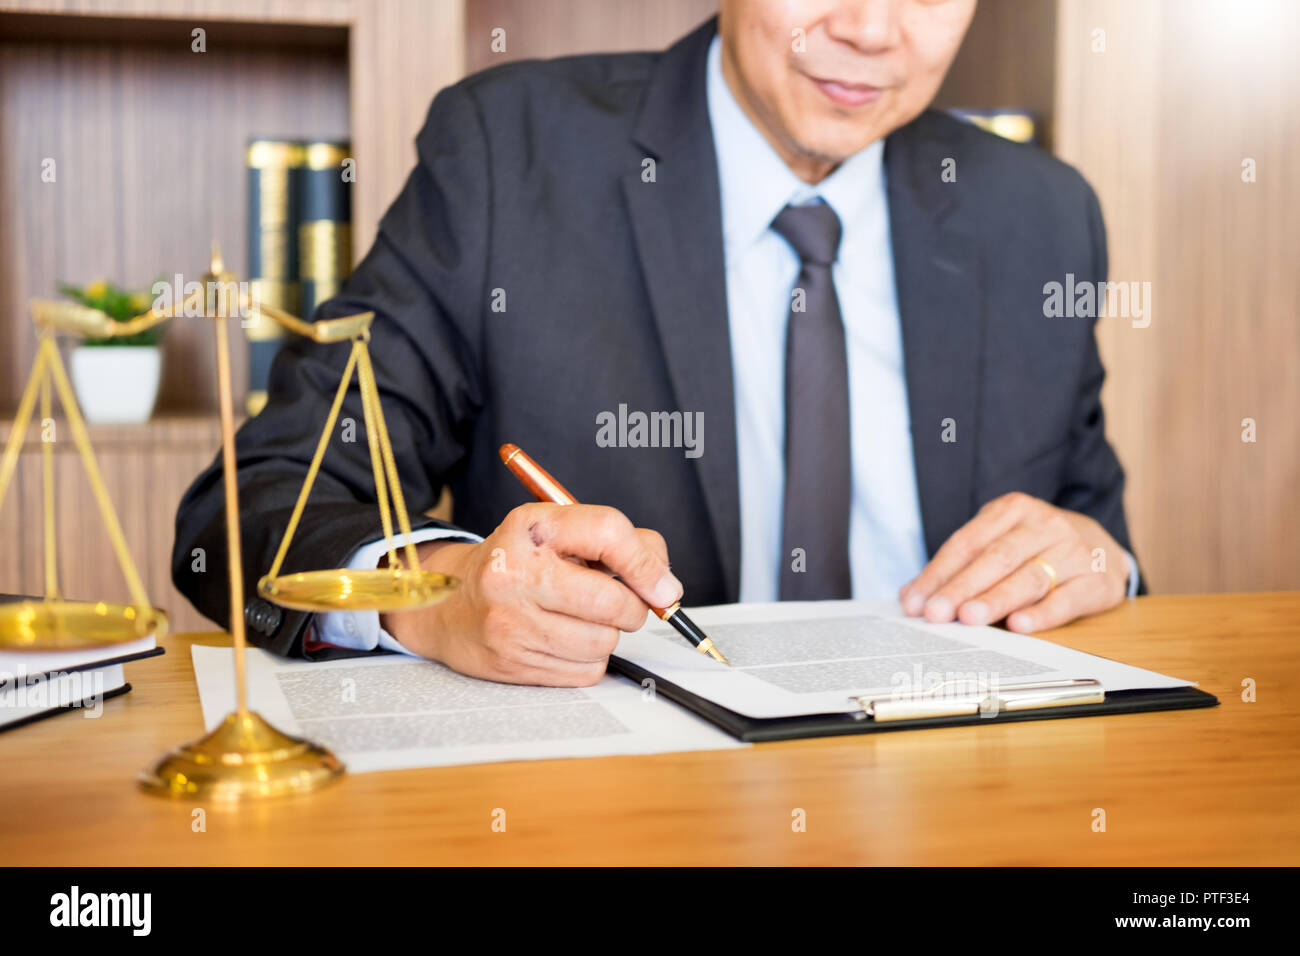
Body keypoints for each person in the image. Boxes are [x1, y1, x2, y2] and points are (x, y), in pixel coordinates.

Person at [173, 0, 1140, 687]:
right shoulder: (510, 154)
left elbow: (1095, 542)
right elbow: (255, 501)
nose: (872, 28)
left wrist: (1099, 559)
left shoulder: (1043, 216)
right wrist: (433, 596)